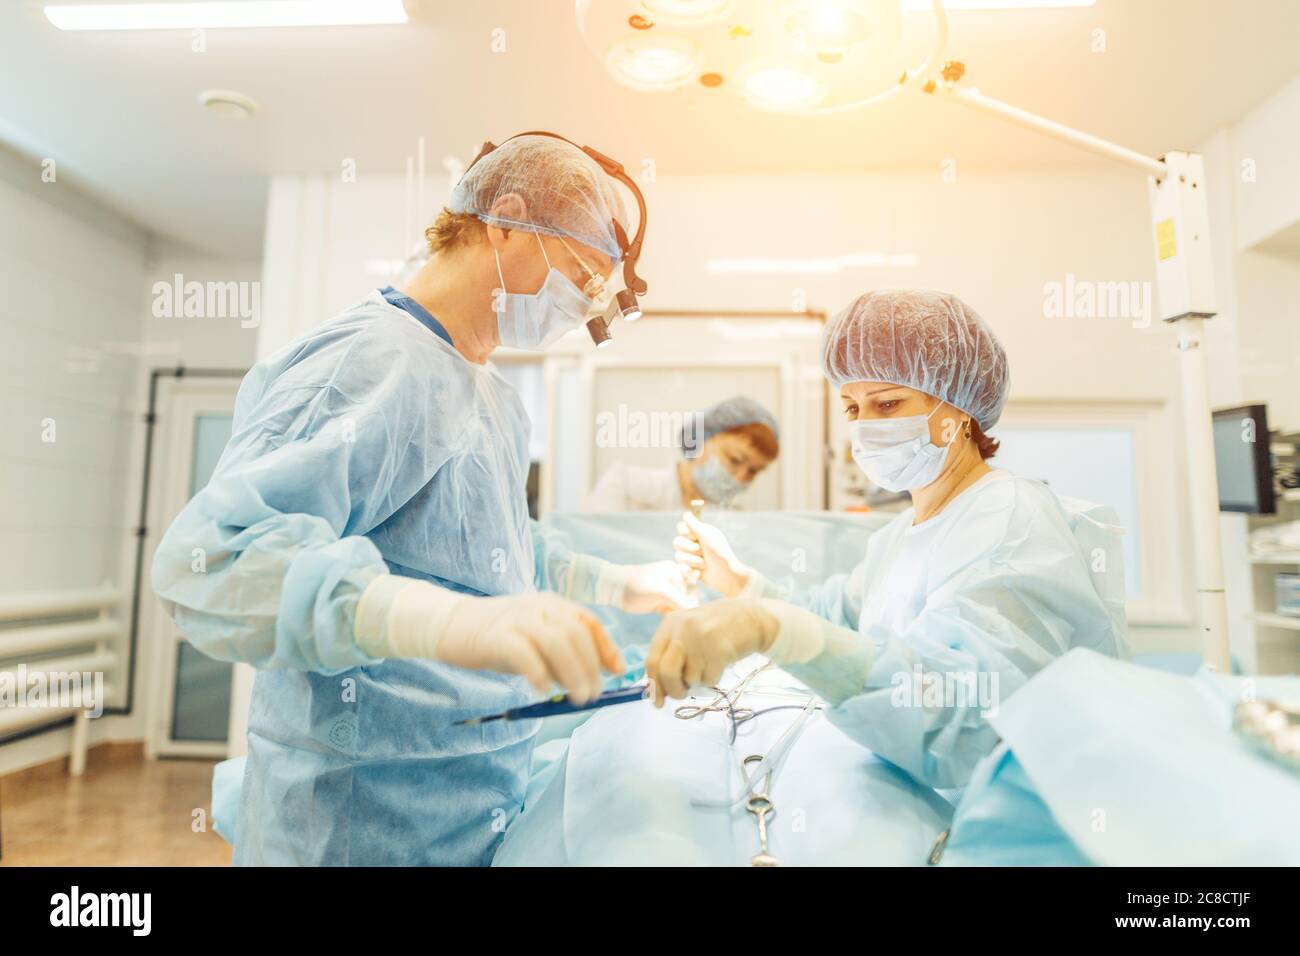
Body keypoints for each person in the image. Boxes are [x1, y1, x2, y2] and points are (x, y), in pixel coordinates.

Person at [151, 134, 690, 865]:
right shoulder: (367, 364)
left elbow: (498, 550)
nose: (582, 306)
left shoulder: (493, 396)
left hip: (466, 799)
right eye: (583, 274)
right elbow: (213, 560)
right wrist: (450, 624)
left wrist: (620, 583)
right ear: (505, 220)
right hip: (361, 813)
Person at [658, 289, 1128, 789]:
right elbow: (835, 620)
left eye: (887, 403)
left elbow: (963, 719)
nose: (865, 427)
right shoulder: (897, 537)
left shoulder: (1009, 519)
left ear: (958, 409)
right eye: (852, 408)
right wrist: (740, 585)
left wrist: (770, 628)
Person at [584, 396, 779, 511]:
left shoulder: (736, 522)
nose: (740, 478)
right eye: (735, 460)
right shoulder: (625, 484)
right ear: (701, 441)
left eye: (754, 471)